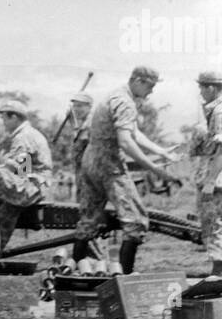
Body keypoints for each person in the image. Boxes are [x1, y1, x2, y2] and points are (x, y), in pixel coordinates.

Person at [71, 66, 180, 274]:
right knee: (136, 221)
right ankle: (125, 278)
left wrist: (163, 152)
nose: (152, 91)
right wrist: (155, 168)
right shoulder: (126, 102)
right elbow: (126, 142)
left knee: (89, 218)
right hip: (109, 166)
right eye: (150, 86)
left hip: (91, 162)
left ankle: (72, 269)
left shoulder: (115, 95)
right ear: (138, 81)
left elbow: (134, 133)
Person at [0, 99, 52, 245]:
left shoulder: (25, 136)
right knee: (3, 217)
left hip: (32, 188)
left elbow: (21, 171)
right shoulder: (27, 134)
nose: (2, 123)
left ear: (14, 117)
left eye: (4, 118)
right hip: (34, 186)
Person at [190, 69, 222, 277]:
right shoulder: (213, 110)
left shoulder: (218, 111)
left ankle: (218, 275)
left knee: (215, 225)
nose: (200, 91)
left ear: (211, 87)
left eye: (202, 86)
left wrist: (210, 181)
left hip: (217, 178)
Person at [68, 91, 93, 181]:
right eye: (74, 106)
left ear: (89, 107)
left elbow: (83, 145)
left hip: (90, 173)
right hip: (82, 172)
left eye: (80, 106)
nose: (76, 109)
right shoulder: (81, 124)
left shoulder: (92, 123)